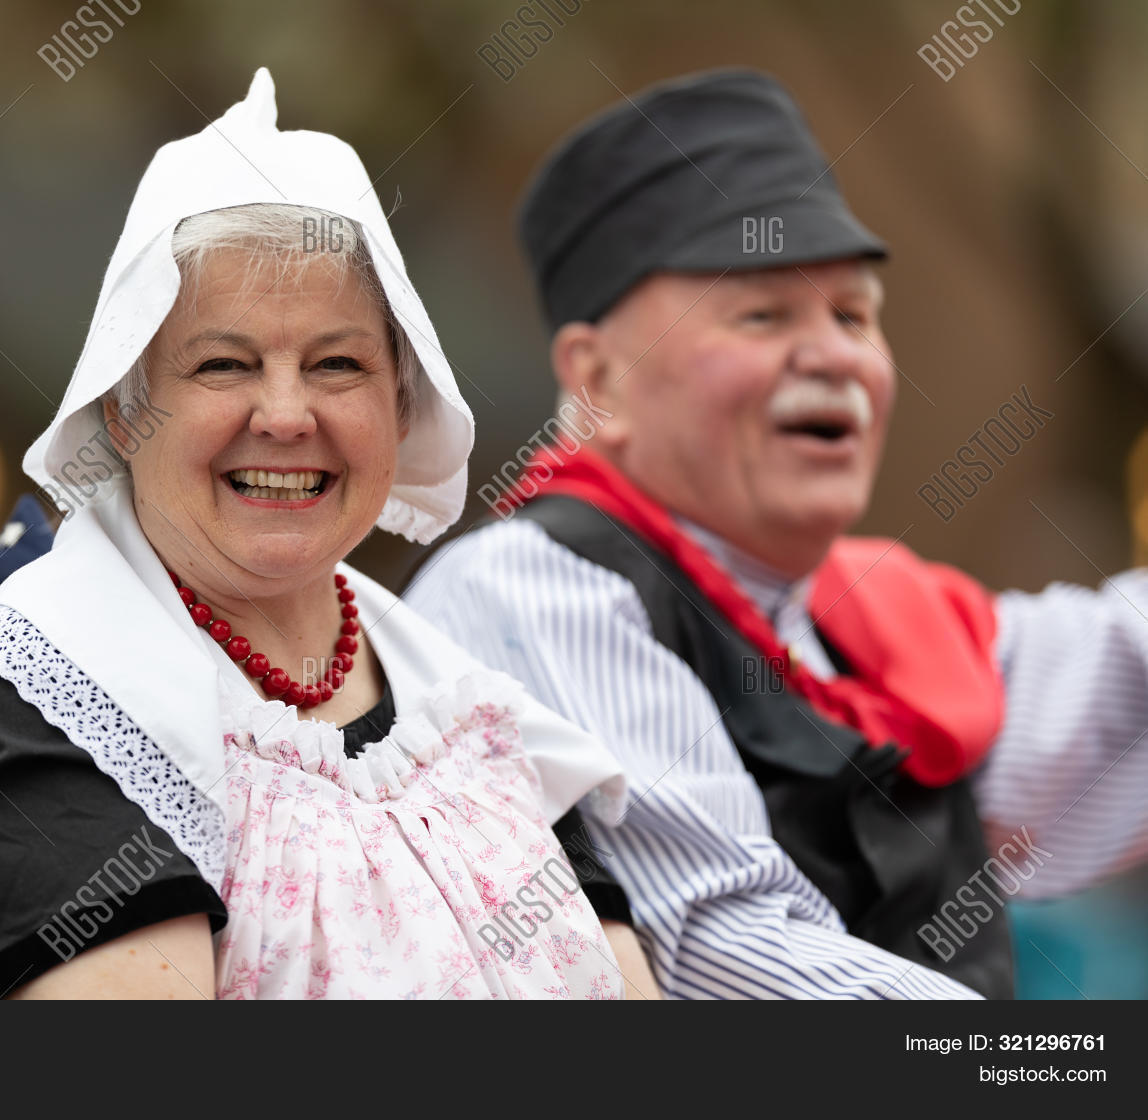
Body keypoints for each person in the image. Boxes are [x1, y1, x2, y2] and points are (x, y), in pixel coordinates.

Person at [0, 70, 659, 1000]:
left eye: (337, 364)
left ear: (400, 409)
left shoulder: (460, 704)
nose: (286, 414)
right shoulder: (47, 703)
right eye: (224, 363)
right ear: (123, 412)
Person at [404, 67, 1148, 999]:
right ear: (599, 382)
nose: (834, 355)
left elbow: (1127, 687)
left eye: (854, 315)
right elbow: (714, 946)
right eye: (764, 314)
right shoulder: (531, 587)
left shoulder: (875, 622)